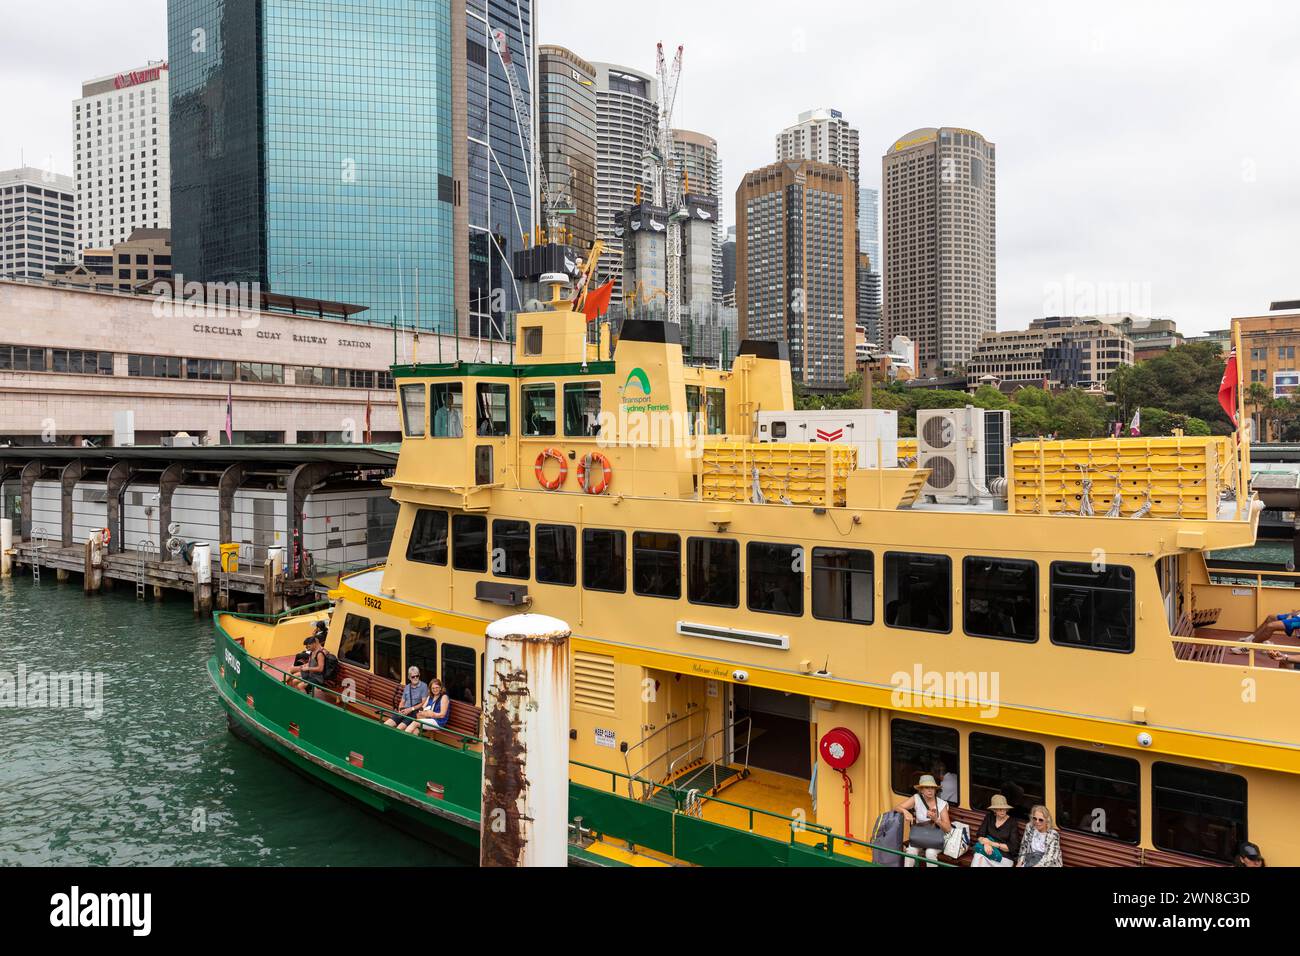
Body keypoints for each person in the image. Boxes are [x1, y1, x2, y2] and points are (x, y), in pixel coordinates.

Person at [895, 774, 952, 867]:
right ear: (921, 789)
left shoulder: (942, 804)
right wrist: (905, 812)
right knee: (911, 851)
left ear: (935, 789)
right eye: (926, 787)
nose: (930, 790)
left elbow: (948, 829)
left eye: (932, 788)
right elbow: (896, 807)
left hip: (936, 838)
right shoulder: (916, 798)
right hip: (920, 836)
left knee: (930, 853)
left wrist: (936, 819)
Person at [971, 794, 1020, 867]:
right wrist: (986, 844)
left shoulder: (1012, 823)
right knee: (978, 857)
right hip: (987, 852)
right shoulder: (989, 817)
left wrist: (991, 843)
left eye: (1005, 809)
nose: (1003, 811)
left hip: (1004, 857)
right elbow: (980, 835)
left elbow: (1012, 847)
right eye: (1000, 809)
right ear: (994, 810)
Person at [385, 665, 429, 731]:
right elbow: (402, 701)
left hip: (414, 713)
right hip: (404, 711)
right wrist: (400, 710)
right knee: (386, 724)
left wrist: (411, 709)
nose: (415, 678)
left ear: (419, 675)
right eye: (413, 677)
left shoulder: (423, 686)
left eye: (417, 676)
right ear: (409, 677)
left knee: (399, 728)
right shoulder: (407, 687)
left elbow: (423, 703)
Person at [291, 631, 327, 697]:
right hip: (310, 674)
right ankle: (298, 696)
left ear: (314, 644)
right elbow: (310, 664)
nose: (307, 648)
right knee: (294, 681)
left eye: (308, 646)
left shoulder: (319, 654)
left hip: (317, 678)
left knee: (300, 686)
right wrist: (303, 666)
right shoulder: (312, 652)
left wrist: (308, 668)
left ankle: (306, 700)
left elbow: (320, 669)